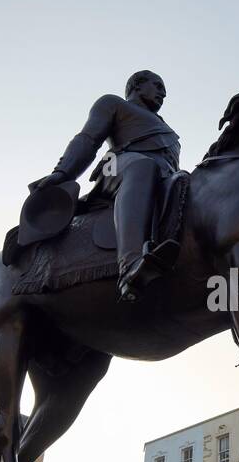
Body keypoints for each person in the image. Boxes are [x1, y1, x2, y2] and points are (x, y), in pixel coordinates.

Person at [28, 70, 181, 301]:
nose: (163, 93)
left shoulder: (168, 129)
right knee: (143, 166)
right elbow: (88, 139)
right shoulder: (113, 103)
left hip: (162, 177)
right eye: (157, 85)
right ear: (137, 86)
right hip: (120, 167)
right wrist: (62, 172)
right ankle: (130, 265)